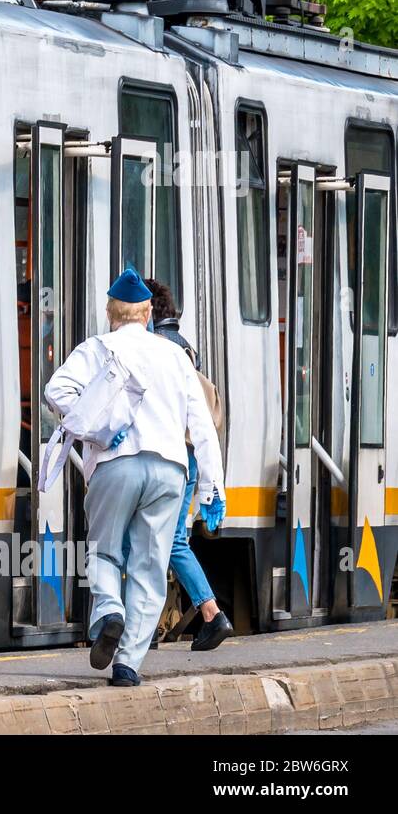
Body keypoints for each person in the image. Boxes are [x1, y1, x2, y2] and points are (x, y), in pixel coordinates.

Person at [44, 267, 226, 687]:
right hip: (169, 470)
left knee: (104, 551)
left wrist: (97, 425)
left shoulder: (96, 348)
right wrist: (211, 487)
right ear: (146, 315)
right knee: (150, 565)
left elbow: (57, 391)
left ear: (111, 314)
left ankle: (109, 611)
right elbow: (201, 427)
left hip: (115, 464)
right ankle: (128, 665)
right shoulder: (176, 357)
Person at [144, 279, 233, 652]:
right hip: (189, 460)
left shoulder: (160, 348)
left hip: (174, 458)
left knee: (166, 541)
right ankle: (150, 624)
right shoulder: (185, 346)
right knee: (164, 540)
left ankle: (210, 614)